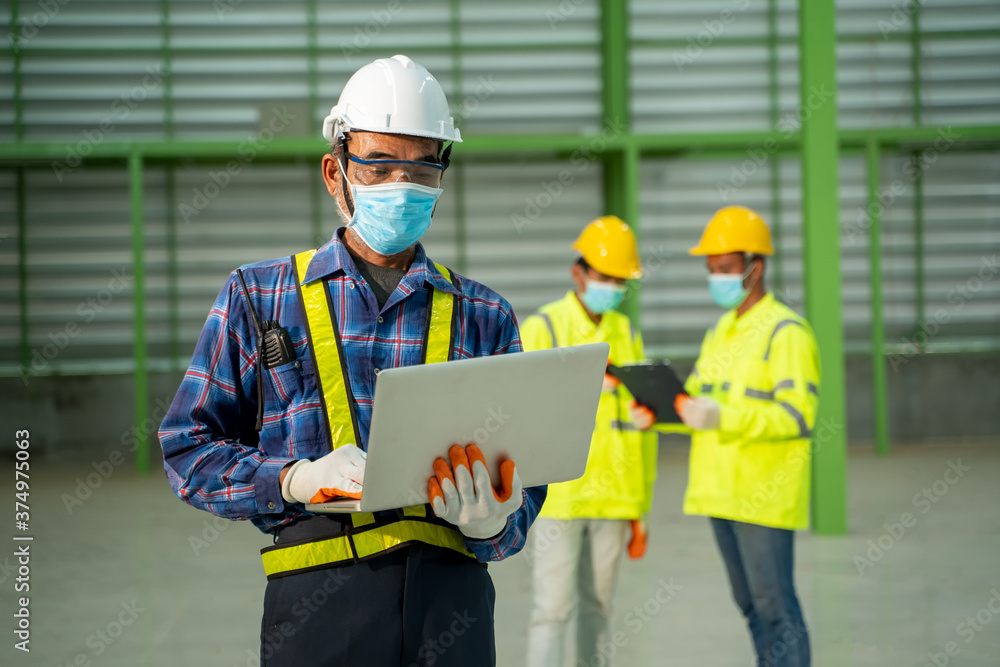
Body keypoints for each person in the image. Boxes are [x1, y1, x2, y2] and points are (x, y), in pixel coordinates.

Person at [158, 55, 546, 666]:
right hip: (317, 605)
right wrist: (291, 479)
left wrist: (493, 521)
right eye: (380, 164)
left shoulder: (485, 314)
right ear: (334, 171)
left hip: (453, 607)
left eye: (422, 168)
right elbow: (187, 449)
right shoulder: (259, 298)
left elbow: (526, 487)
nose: (402, 185)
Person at [676, 205, 819, 667]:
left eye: (725, 269)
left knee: (777, 608)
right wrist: (656, 410)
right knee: (752, 608)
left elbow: (798, 417)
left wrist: (724, 417)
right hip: (722, 494)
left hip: (763, 495)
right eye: (711, 269)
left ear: (755, 267)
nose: (716, 277)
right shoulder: (721, 330)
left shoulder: (787, 333)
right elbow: (696, 401)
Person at [521, 216, 658, 667]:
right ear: (578, 273)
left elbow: (639, 429)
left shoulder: (625, 332)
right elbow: (514, 404)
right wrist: (578, 387)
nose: (613, 288)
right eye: (605, 278)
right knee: (552, 611)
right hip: (560, 497)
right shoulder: (544, 328)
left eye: (620, 281)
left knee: (598, 609)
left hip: (615, 500)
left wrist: (639, 507)